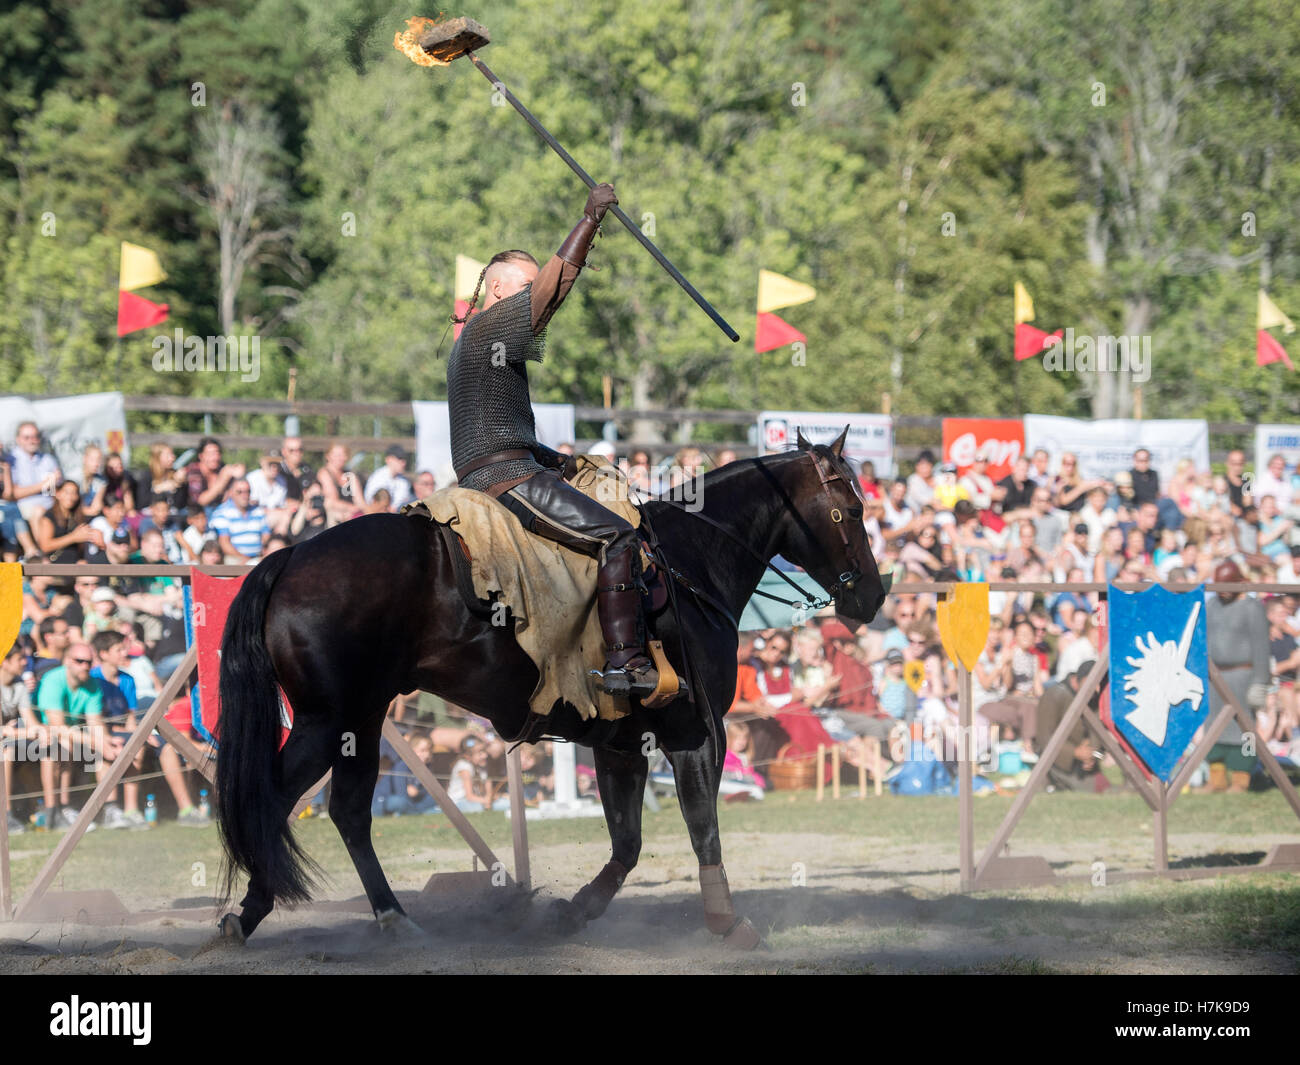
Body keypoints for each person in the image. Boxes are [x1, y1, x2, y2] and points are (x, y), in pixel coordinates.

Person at [445, 183, 662, 699]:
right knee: (619, 537)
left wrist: (558, 463)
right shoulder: (488, 329)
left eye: (530, 285)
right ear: (498, 292)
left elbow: (503, 435)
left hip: (507, 468)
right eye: (523, 285)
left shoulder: (474, 343)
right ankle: (624, 663)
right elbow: (551, 293)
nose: (530, 294)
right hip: (506, 481)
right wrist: (589, 221)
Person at [1199, 560, 1270, 793]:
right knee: (1213, 728)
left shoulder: (1252, 607)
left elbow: (1261, 648)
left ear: (1239, 582)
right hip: (1215, 677)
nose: (1224, 590)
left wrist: (1260, 682)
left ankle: (1242, 778)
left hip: (1244, 676)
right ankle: (1216, 779)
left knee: (1245, 730)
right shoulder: (1211, 605)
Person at [1034, 660, 1106, 791]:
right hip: (1055, 760)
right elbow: (1044, 737)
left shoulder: (1092, 694)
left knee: (1104, 788)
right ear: (1078, 679)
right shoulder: (1055, 695)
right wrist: (1075, 752)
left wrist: (1091, 754)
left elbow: (1096, 730)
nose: (1096, 689)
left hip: (1084, 761)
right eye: (1092, 683)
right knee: (1092, 790)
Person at [7, 421, 62, 522]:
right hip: (24, 507)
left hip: (51, 504)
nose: (32, 441)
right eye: (26, 437)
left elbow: (55, 488)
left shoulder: (48, 459)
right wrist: (44, 484)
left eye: (35, 437)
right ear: (18, 439)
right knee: (39, 512)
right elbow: (13, 494)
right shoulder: (11, 460)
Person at [210, 478, 271, 562]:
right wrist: (245, 560)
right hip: (234, 558)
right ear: (230, 493)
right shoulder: (222, 513)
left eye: (248, 491)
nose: (245, 495)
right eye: (239, 492)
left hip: (257, 558)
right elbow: (224, 544)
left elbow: (266, 537)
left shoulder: (258, 511)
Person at [364, 444, 414, 512]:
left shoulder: (404, 482)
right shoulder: (378, 478)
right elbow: (374, 505)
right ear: (388, 459)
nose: (403, 463)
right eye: (399, 459)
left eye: (404, 459)